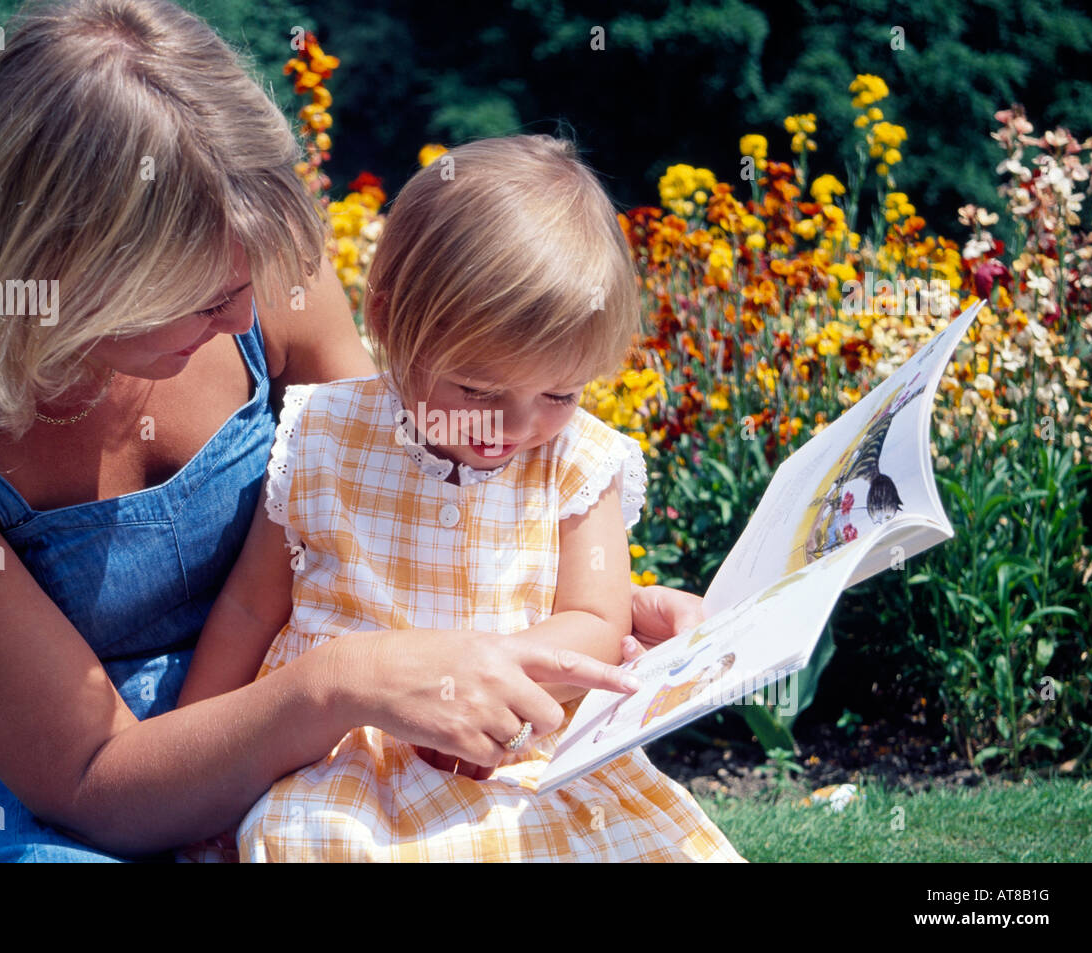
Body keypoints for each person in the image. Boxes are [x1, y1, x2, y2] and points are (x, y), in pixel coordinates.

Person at [0, 0, 705, 862]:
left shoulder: (241, 226)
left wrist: (588, 599)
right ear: (66, 281)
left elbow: (404, 484)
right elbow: (90, 780)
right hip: (77, 792)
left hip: (351, 736)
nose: (250, 308)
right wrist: (338, 683)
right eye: (202, 299)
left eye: (257, 274)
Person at [177, 137, 746, 862]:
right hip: (345, 758)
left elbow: (597, 617)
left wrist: (491, 675)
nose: (511, 426)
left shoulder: (576, 462)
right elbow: (253, 606)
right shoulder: (322, 434)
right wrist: (200, 760)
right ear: (385, 322)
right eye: (475, 389)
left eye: (558, 393)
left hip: (518, 754)